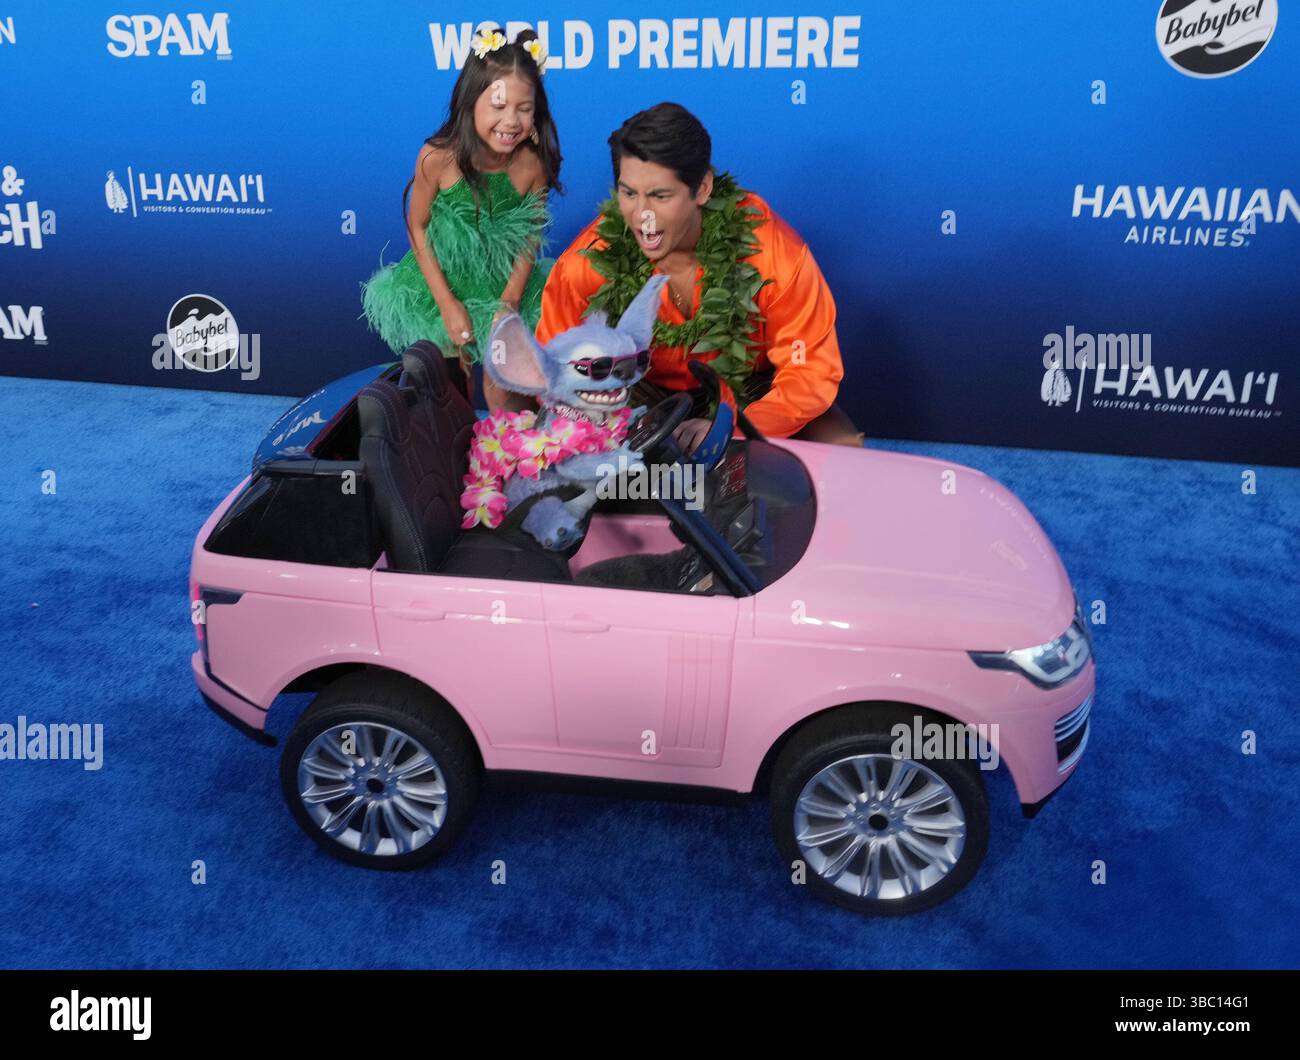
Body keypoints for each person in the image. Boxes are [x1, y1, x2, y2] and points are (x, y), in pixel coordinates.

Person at [535, 102, 863, 447]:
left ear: (702, 188)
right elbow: (553, 370)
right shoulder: (587, 263)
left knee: (840, 441)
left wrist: (730, 429)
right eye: (629, 194)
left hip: (748, 391)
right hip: (633, 395)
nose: (643, 216)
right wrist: (616, 423)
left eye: (661, 196)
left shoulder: (773, 255)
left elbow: (809, 372)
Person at [360, 24, 561, 406]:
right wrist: (448, 306)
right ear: (470, 102)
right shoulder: (437, 158)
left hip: (502, 285)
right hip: (442, 283)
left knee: (506, 392)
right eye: (498, 106)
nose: (511, 121)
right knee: (447, 392)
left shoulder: (533, 165)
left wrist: (509, 304)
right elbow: (418, 229)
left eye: (524, 108)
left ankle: (512, 451)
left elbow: (531, 236)